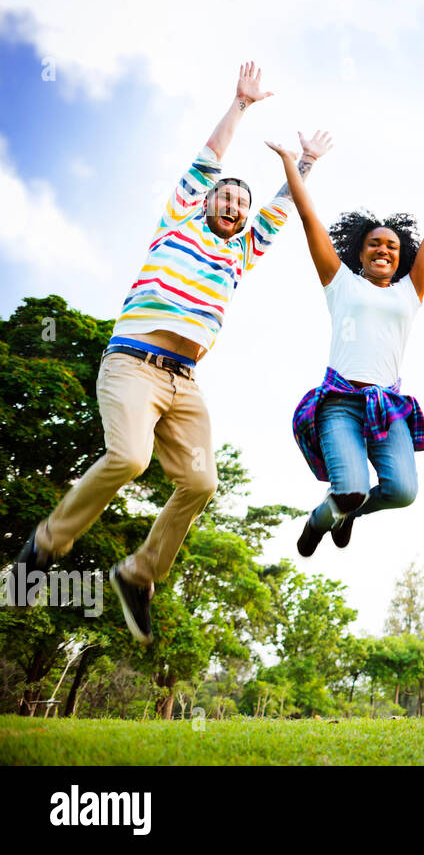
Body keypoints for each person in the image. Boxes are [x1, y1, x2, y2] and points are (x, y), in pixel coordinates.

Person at [13, 63, 326, 644]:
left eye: (240, 201)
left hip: (184, 383)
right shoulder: (178, 223)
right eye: (223, 195)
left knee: (202, 483)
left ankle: (139, 574)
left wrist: (304, 162)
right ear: (203, 202)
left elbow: (285, 206)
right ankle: (44, 547)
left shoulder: (244, 250)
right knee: (129, 459)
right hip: (133, 364)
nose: (232, 204)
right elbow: (209, 155)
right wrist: (240, 105)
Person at [268, 139, 424, 555]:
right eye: (374, 245)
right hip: (341, 401)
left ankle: (347, 513)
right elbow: (309, 218)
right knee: (350, 488)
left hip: (388, 403)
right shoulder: (340, 282)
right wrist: (293, 163)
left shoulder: (410, 291)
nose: (384, 250)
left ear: (401, 258)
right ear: (360, 252)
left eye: (392, 246)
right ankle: (321, 520)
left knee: (402, 491)